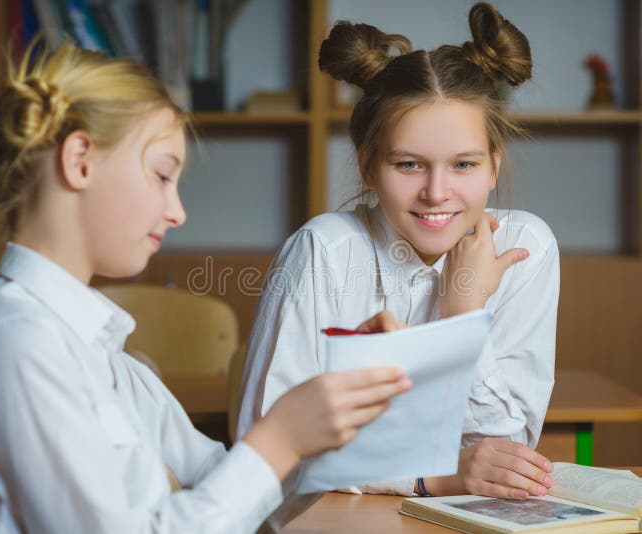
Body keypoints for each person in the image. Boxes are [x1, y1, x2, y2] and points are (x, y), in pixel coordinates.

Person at [0, 40, 412, 534]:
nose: (177, 211)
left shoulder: (111, 360)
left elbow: (231, 497)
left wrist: (332, 415)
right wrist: (280, 438)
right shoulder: (15, 345)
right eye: (162, 175)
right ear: (79, 160)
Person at [238, 1, 560, 507]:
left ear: (494, 167)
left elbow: (504, 456)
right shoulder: (322, 250)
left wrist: (465, 311)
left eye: (463, 164)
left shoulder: (526, 249)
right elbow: (263, 452)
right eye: (409, 164)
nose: (437, 192)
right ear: (368, 166)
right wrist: (426, 478)